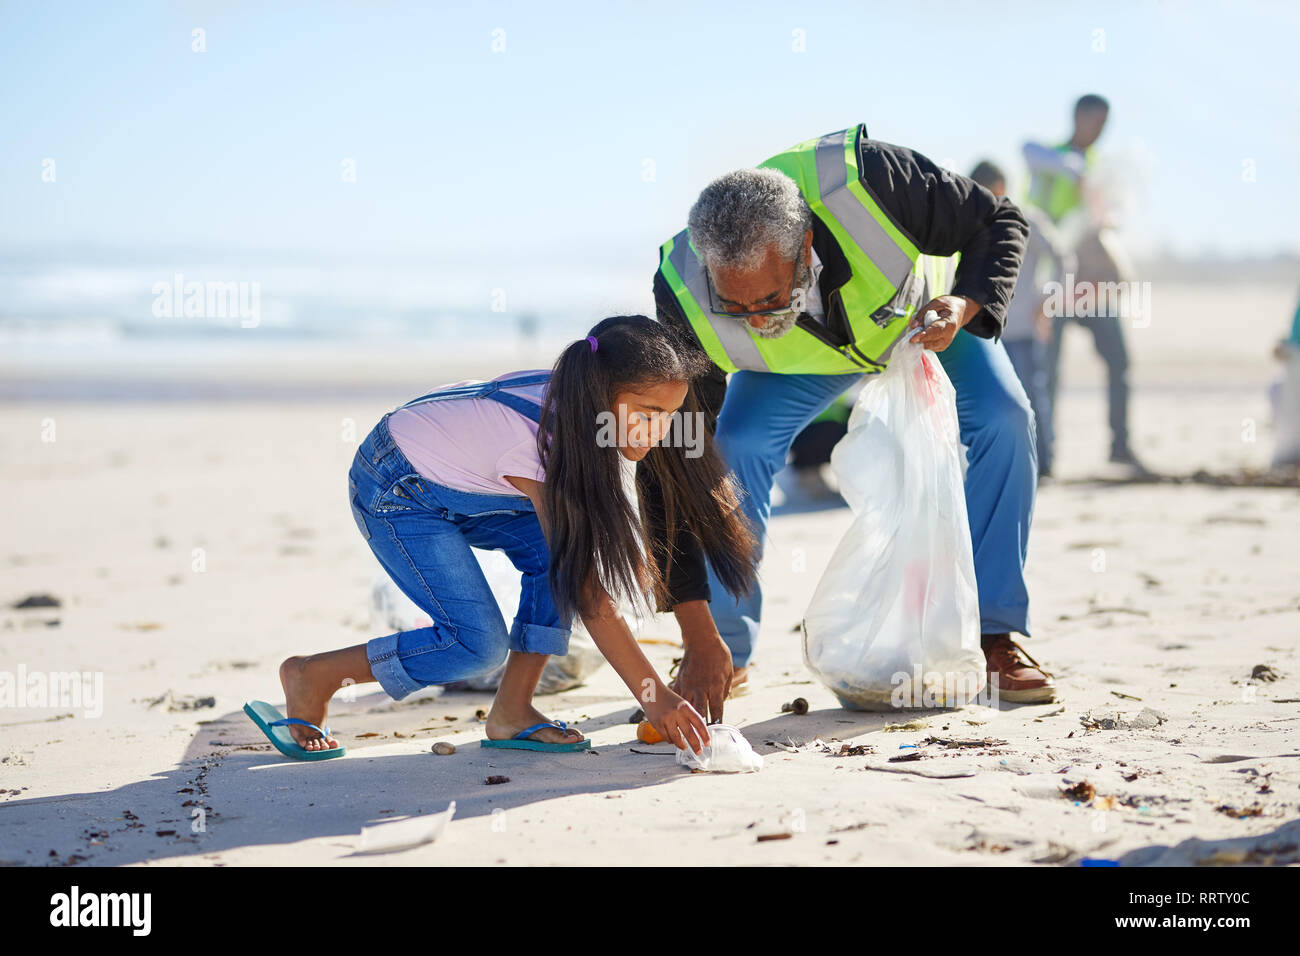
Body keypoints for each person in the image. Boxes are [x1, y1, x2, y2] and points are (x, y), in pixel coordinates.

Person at [642, 124, 1059, 710]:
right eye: (732, 305)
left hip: (924, 321)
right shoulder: (681, 289)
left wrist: (962, 307)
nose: (754, 319)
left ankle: (994, 636)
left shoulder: (872, 181)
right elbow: (679, 457)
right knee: (733, 445)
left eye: (767, 300)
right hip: (806, 361)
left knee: (1007, 420)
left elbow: (999, 220)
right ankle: (725, 649)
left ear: (805, 245)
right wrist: (695, 628)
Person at [254, 315, 759, 757]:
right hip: (396, 487)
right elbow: (588, 593)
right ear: (602, 396)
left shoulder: (590, 412)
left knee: (552, 560)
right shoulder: (544, 444)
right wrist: (654, 694)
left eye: (670, 416)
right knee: (476, 647)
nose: (659, 431)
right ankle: (312, 676)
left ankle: (512, 711)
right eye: (648, 414)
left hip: (463, 482)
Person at [1024, 94, 1146, 470]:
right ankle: (1045, 455)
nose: (1099, 130)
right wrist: (1073, 171)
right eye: (1094, 121)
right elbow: (1027, 150)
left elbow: (1114, 211)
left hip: (1092, 282)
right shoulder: (1050, 157)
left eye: (1104, 124)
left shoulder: (1103, 167)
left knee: (1119, 361)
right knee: (1048, 370)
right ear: (1078, 116)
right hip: (1055, 281)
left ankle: (1120, 446)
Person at [970, 160, 1073, 478]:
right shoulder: (969, 222)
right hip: (983, 333)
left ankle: (1042, 464)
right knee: (990, 403)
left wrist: (1047, 301)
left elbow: (1063, 259)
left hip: (1024, 328)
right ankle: (1002, 463)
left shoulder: (1027, 220)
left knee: (1032, 398)